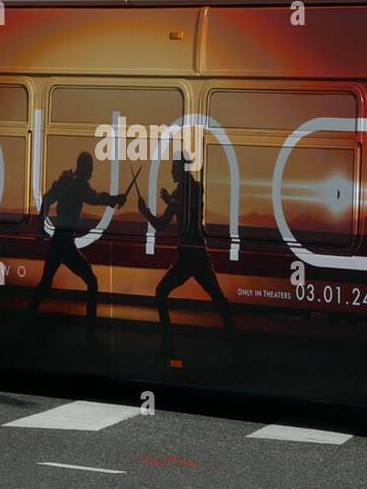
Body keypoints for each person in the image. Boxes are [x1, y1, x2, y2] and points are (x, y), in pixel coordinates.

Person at [137, 156, 236, 361]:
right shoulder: (186, 191)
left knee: (163, 293)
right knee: (218, 301)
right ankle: (236, 347)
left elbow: (187, 211)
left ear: (182, 169)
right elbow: (161, 224)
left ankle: (168, 346)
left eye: (173, 168)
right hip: (194, 256)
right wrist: (146, 212)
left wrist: (169, 203)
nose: (171, 173)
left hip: (192, 257)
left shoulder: (194, 189)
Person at [27, 152, 127, 324]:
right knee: (92, 281)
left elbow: (47, 199)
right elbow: (95, 198)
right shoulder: (79, 185)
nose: (92, 172)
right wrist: (115, 199)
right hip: (66, 242)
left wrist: (41, 227)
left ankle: (28, 316)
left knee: (45, 283)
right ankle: (91, 326)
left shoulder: (65, 181)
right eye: (91, 168)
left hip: (58, 240)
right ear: (85, 167)